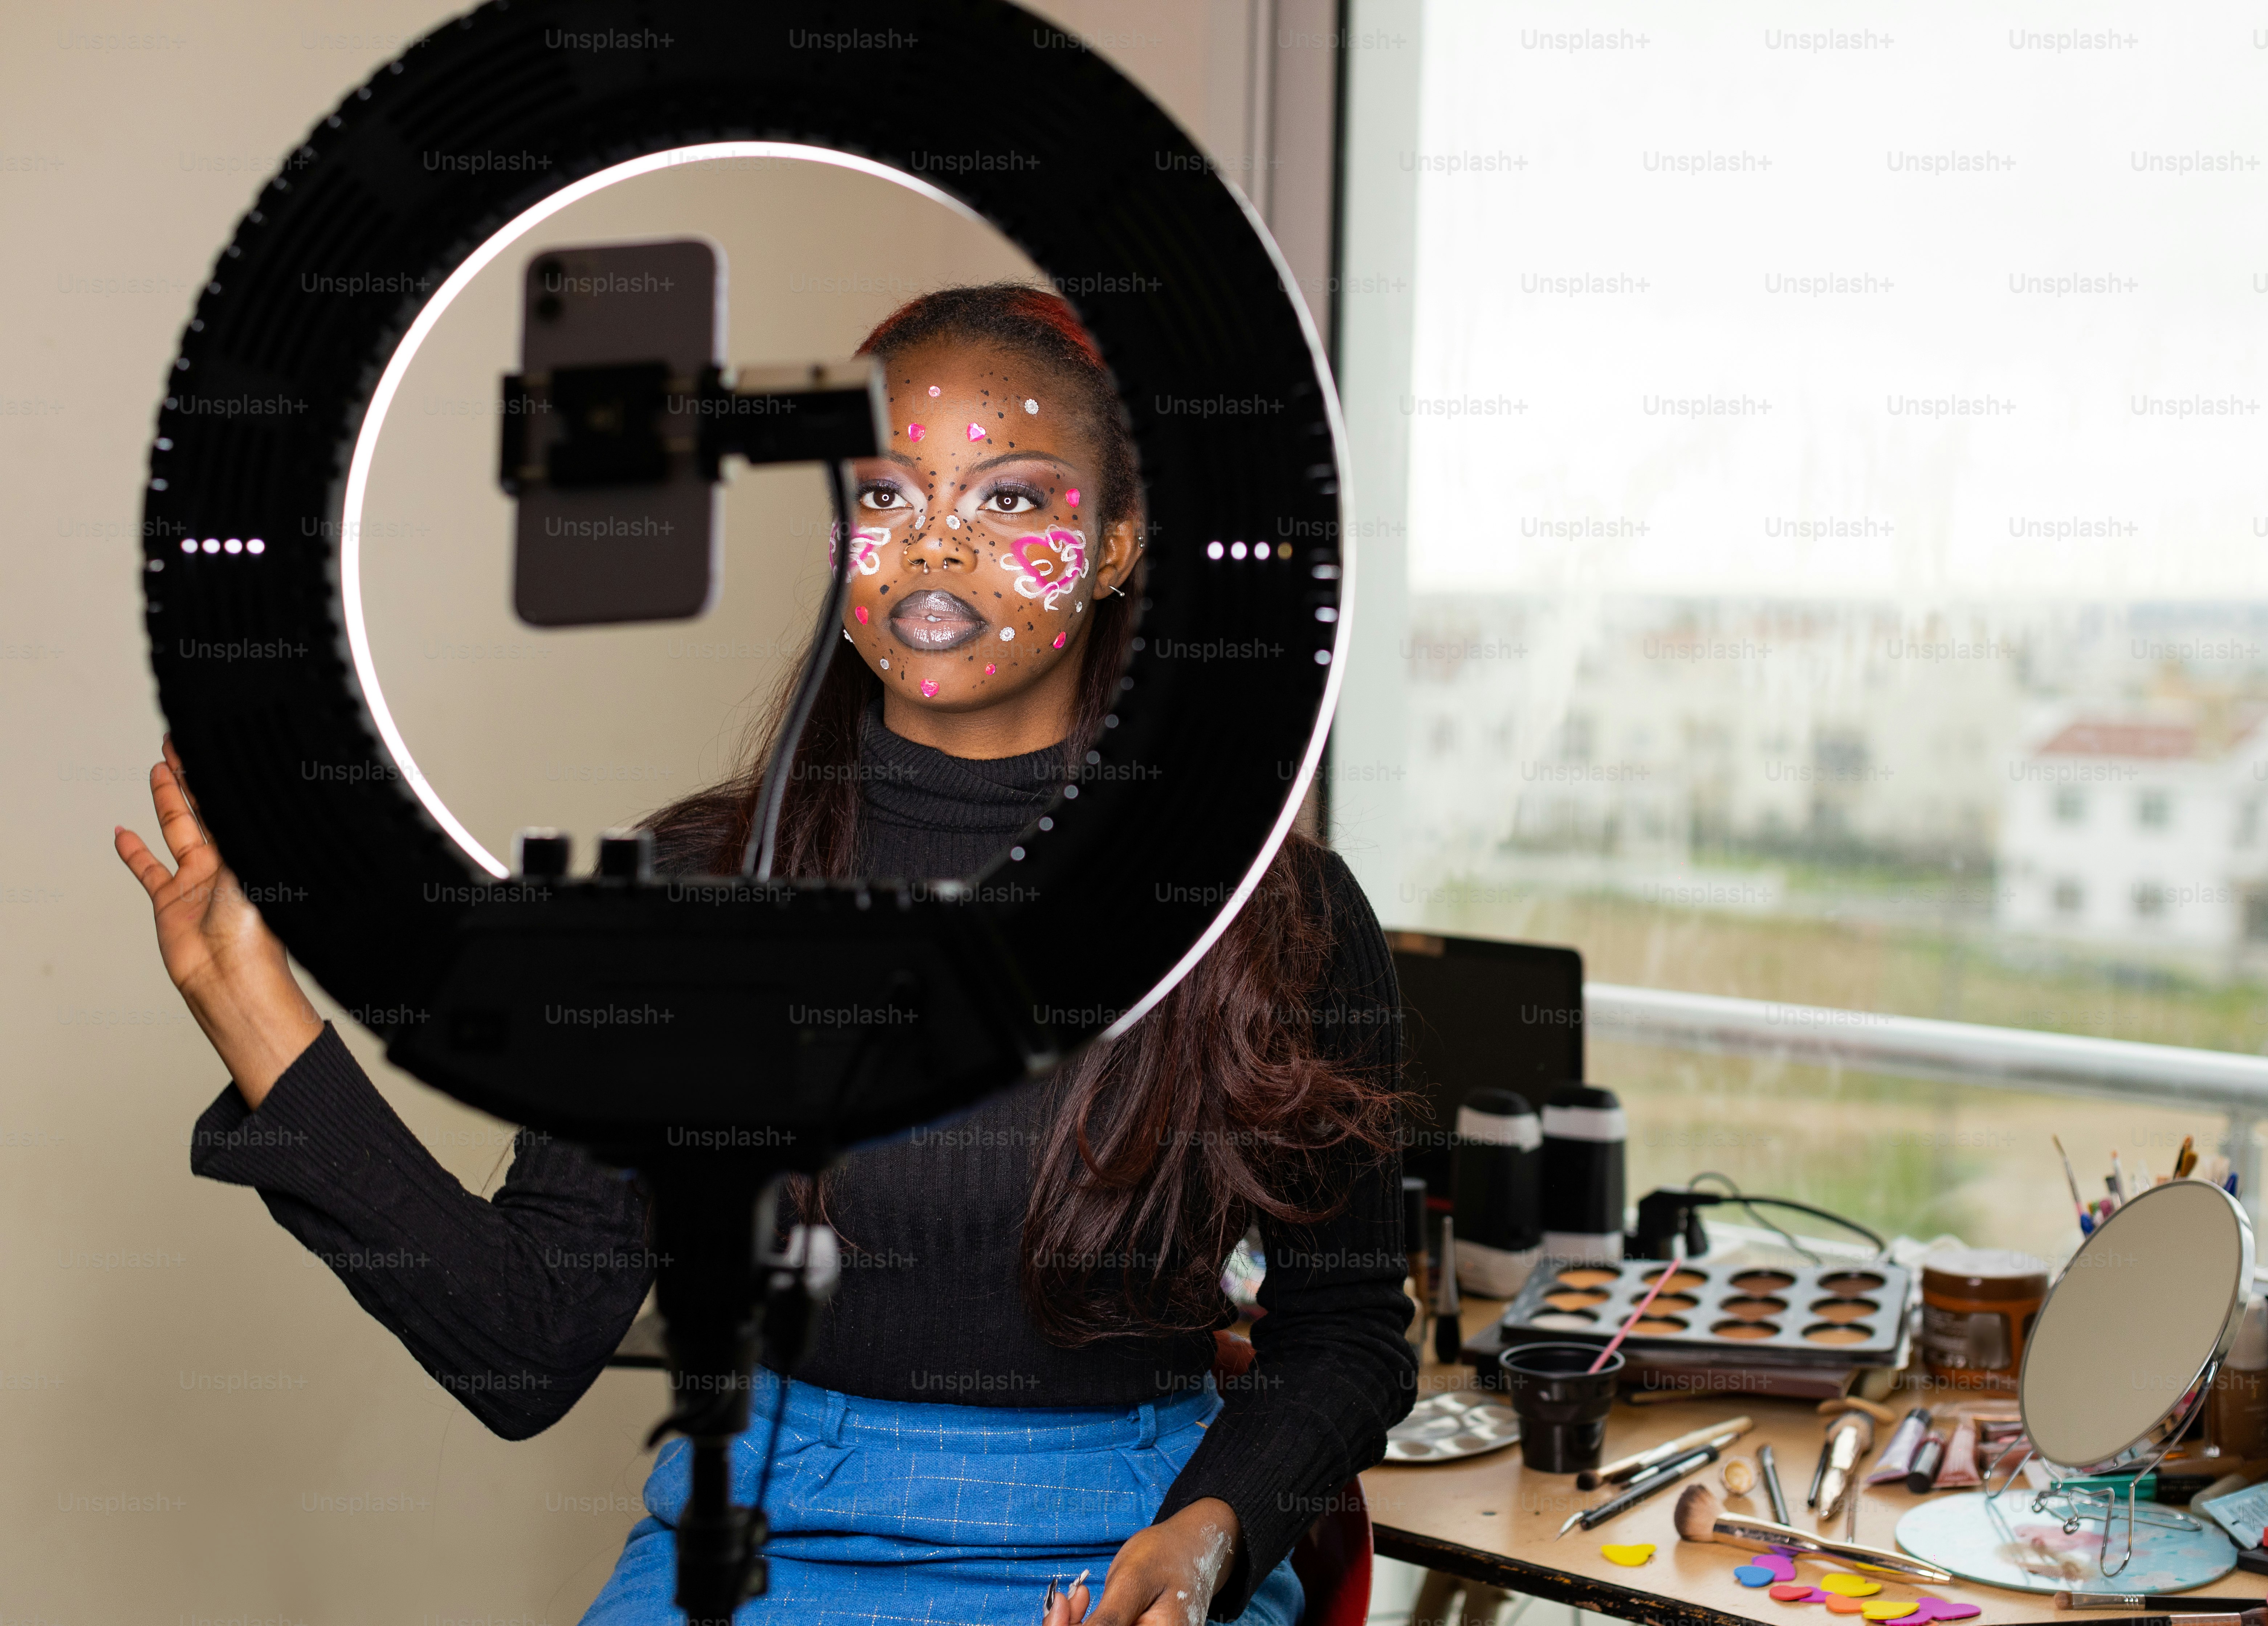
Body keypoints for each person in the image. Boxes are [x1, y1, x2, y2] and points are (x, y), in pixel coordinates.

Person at [115, 285, 1415, 1625]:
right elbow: (525, 1346)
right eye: (889, 498)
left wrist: (1211, 1534)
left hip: (1121, 1543)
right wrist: (251, 1006)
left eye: (1013, 501)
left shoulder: (1280, 917)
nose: (937, 549)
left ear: (1117, 546)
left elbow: (1350, 1329)